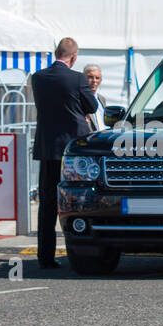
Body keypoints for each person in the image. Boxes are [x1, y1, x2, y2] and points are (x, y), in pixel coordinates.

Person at [30, 38, 98, 270]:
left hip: (48, 148)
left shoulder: (38, 78)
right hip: (73, 150)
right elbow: (92, 107)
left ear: (55, 53)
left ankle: (45, 257)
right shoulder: (78, 78)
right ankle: (81, 250)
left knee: (47, 204)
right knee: (80, 201)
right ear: (74, 57)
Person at [83, 64, 108, 131]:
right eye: (90, 77)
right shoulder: (79, 99)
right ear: (83, 78)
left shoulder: (102, 99)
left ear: (101, 80)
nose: (94, 81)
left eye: (97, 78)